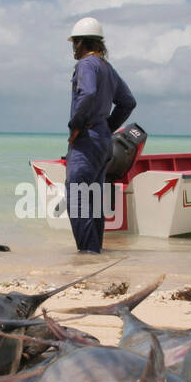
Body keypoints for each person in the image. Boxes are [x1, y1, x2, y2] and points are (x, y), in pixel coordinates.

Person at [64, 17, 136, 253]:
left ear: (82, 43)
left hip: (86, 141)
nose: (73, 48)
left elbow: (88, 93)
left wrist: (76, 125)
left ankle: (87, 254)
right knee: (93, 202)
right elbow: (128, 102)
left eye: (74, 43)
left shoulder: (86, 65)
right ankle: (94, 254)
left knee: (78, 200)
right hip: (103, 142)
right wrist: (106, 127)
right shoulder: (107, 67)